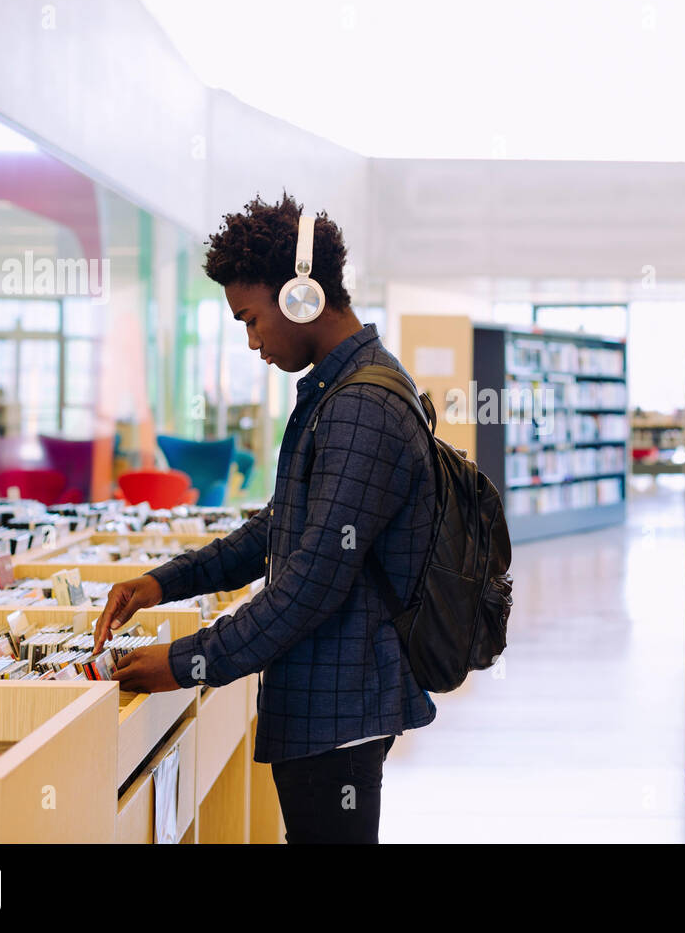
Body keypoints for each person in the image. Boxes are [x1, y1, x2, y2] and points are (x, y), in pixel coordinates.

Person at [93, 192, 437, 844]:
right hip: (325, 697)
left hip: (339, 706)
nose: (252, 342)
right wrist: (163, 582)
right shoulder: (339, 391)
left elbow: (311, 582)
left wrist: (187, 661)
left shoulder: (360, 407)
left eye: (251, 320)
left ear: (301, 298)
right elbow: (277, 531)